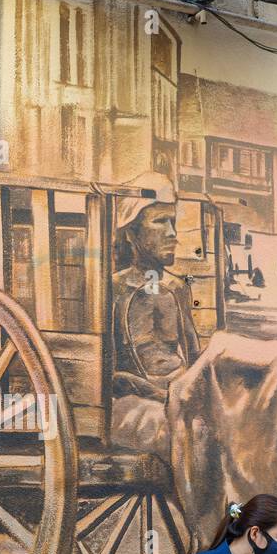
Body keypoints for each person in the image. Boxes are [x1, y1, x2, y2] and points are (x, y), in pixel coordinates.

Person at [109, 171, 200, 462]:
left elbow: (195, 355)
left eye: (173, 222)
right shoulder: (112, 288)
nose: (172, 233)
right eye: (160, 222)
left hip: (177, 397)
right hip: (129, 403)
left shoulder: (176, 288)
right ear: (131, 232)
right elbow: (104, 374)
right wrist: (156, 391)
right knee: (186, 435)